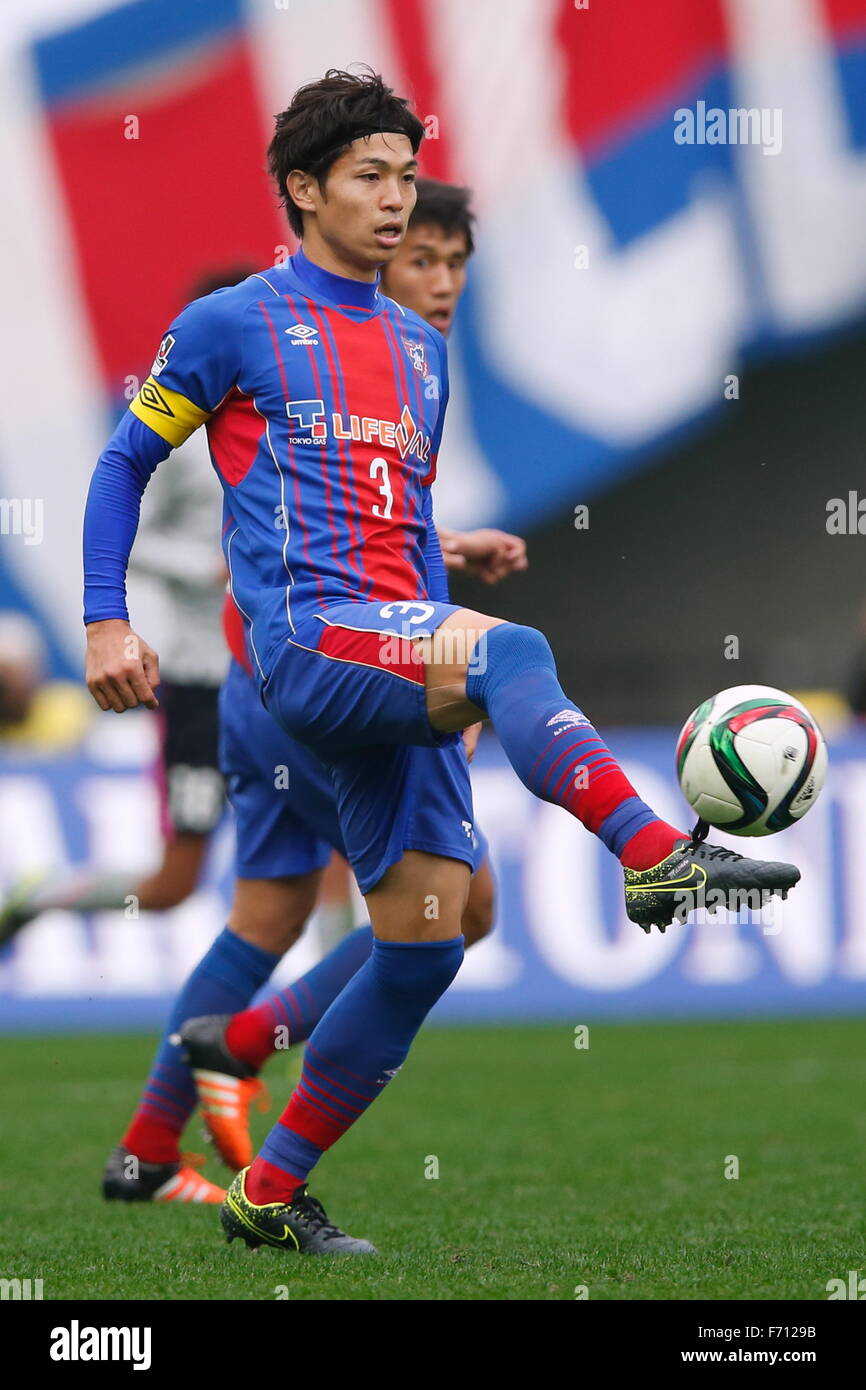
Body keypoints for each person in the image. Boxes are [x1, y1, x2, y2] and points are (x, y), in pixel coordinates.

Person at [82, 70, 800, 1253]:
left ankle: (265, 1192)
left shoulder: (418, 350)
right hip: (308, 642)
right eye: (369, 177)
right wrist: (106, 618)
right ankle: (654, 853)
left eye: (405, 178)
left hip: (391, 654)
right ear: (303, 188)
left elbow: (395, 521)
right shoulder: (234, 324)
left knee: (424, 941)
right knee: (514, 646)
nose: (394, 200)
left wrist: (443, 619)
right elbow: (121, 465)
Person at [102, 178, 527, 1202]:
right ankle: (244, 1048)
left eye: (452, 264)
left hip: (263, 683)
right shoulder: (297, 343)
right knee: (450, 906)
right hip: (293, 682)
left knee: (272, 911)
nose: (437, 282)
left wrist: (438, 547)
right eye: (419, 258)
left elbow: (357, 521)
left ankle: (149, 1145)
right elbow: (241, 507)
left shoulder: (395, 365)